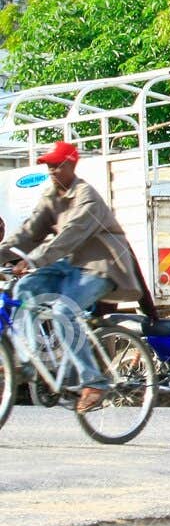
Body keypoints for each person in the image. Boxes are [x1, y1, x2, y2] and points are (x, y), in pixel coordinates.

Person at [0, 141, 154, 412]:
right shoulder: (51, 197)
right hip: (69, 266)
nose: (52, 171)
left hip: (102, 267)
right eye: (49, 166)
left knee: (63, 311)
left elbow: (69, 236)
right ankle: (26, 362)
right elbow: (28, 233)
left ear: (72, 164)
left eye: (56, 165)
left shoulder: (87, 197)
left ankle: (94, 381)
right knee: (24, 289)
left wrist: (32, 260)